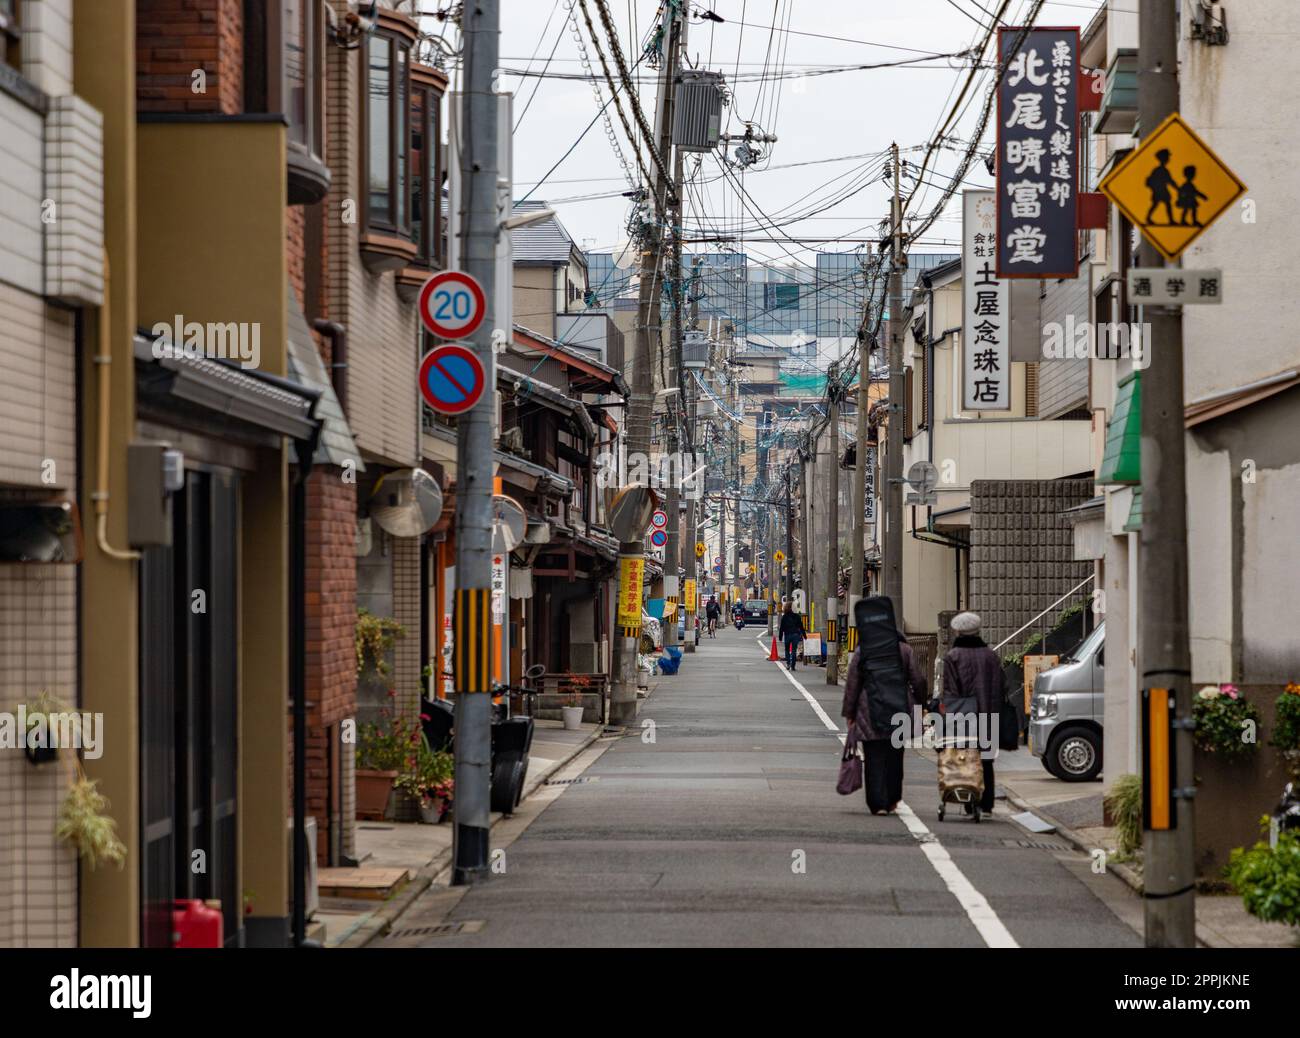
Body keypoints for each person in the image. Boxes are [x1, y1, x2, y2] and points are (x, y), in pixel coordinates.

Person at [940, 611, 1008, 815]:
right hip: (990, 712)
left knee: (965, 756)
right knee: (986, 758)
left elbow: (950, 690)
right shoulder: (991, 656)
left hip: (962, 714)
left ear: (958, 631)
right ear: (978, 630)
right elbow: (1002, 685)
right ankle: (986, 804)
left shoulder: (953, 656)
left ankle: (969, 800)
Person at [778, 601, 805, 669]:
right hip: (795, 635)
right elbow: (801, 627)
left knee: (787, 650)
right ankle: (793, 665)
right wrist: (804, 635)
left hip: (787, 635)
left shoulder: (784, 617)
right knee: (794, 650)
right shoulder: (797, 616)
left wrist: (780, 637)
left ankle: (788, 664)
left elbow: (782, 628)